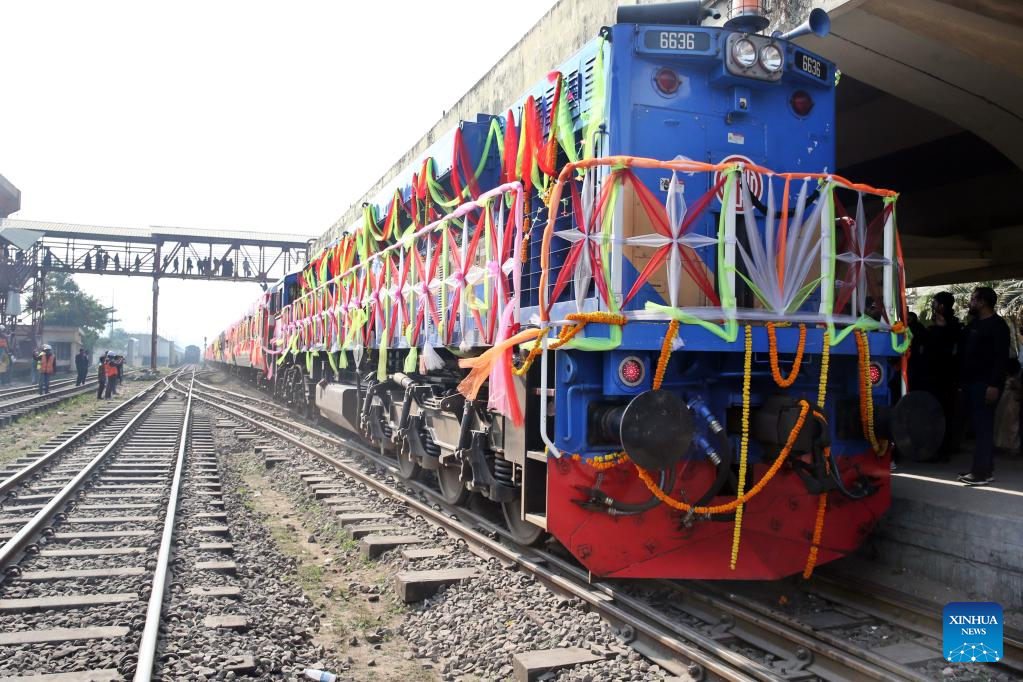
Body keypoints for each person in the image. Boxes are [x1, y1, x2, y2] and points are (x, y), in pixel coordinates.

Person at [957, 286, 1011, 486]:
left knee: (984, 427)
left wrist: (994, 385)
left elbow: (1001, 358)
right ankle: (981, 467)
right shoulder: (973, 325)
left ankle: (982, 472)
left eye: (973, 299)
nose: (970, 302)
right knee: (977, 427)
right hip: (971, 383)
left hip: (986, 384)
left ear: (982, 302)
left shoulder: (998, 326)